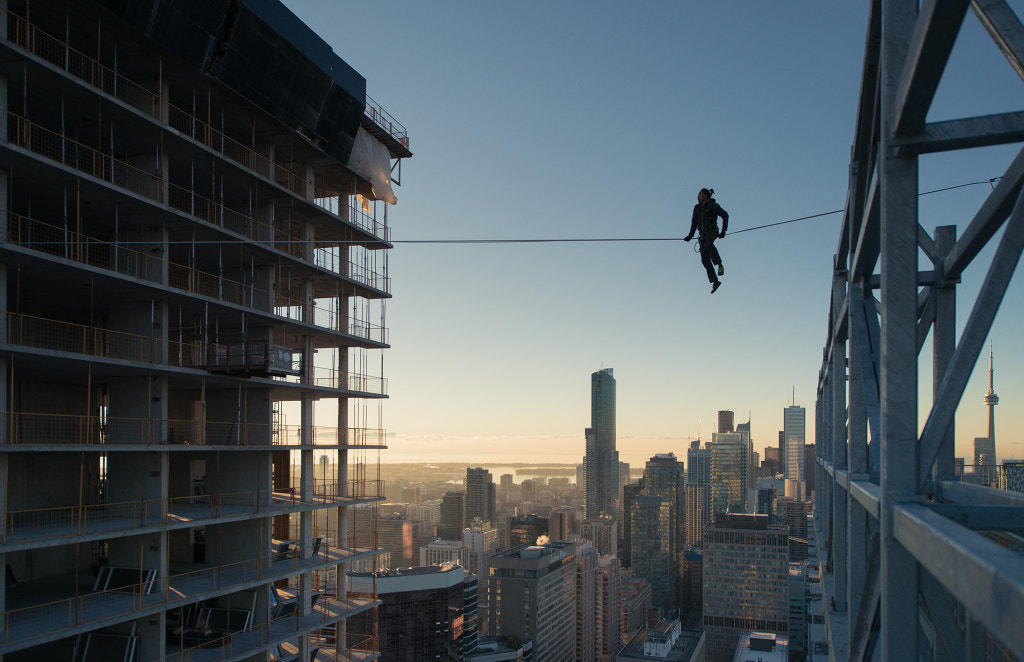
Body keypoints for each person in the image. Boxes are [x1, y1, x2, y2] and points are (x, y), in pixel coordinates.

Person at [683, 188, 729, 293]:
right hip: (702, 235)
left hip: (712, 231)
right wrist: (690, 235)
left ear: (706, 196)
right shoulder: (697, 208)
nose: (697, 196)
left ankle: (719, 265)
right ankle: (715, 282)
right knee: (704, 258)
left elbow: (725, 215)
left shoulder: (713, 206)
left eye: (700, 194)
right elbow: (694, 222)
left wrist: (723, 231)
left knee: (709, 244)